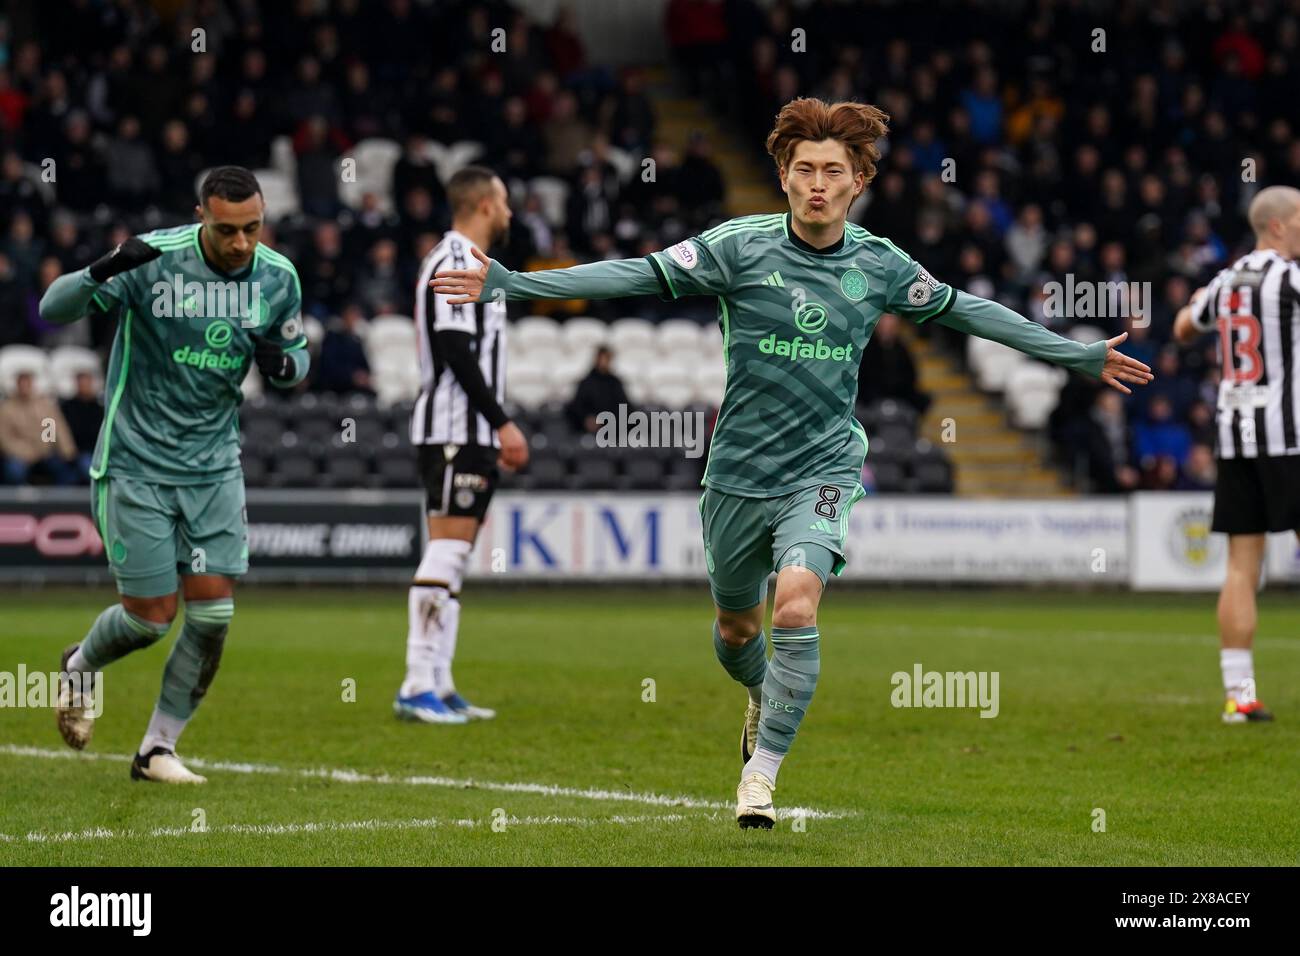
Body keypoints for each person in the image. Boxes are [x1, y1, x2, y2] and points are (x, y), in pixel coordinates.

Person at [433, 98, 1152, 828]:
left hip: (824, 466)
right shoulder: (737, 247)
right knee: (737, 631)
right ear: (782, 176)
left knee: (797, 606)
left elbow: (970, 309)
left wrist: (1075, 353)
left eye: (833, 172)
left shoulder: (879, 264)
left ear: (858, 181)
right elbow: (633, 275)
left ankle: (761, 776)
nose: (817, 184)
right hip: (738, 474)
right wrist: (518, 284)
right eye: (804, 169)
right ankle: (759, 695)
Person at [37, 166, 310, 782]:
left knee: (212, 616)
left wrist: (284, 365)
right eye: (227, 230)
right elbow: (52, 309)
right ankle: (80, 666)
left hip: (214, 466)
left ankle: (157, 749)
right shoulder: (153, 260)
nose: (242, 242)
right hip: (136, 462)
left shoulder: (278, 276)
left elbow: (296, 362)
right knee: (149, 619)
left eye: (252, 228)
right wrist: (105, 266)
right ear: (199, 217)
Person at [396, 165, 528, 725]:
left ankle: (439, 681)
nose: (510, 212)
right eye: (504, 201)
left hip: (467, 431)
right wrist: (502, 423)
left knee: (455, 559)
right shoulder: (456, 259)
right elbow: (454, 349)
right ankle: (415, 683)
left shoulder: (472, 262)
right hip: (455, 428)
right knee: (447, 552)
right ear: (483, 205)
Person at [1173, 184, 1300, 723]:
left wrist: (1199, 308)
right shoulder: (1290, 279)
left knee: (1241, 569)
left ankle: (1239, 695)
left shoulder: (1225, 282)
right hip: (1288, 439)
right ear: (1278, 225)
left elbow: (1183, 327)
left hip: (1234, 439)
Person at [0, 370, 78, 485]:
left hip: (44, 454)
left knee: (65, 470)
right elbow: (5, 439)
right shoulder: (7, 408)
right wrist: (26, 452)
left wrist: (68, 451)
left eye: (27, 382)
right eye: (22, 382)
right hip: (18, 456)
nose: (24, 386)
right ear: (17, 384)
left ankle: (61, 496)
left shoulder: (45, 405)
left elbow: (57, 429)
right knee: (14, 471)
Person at [565, 346, 630, 432]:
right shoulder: (586, 383)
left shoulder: (615, 383)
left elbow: (624, 407)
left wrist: (605, 421)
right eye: (601, 358)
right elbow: (577, 406)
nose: (603, 362)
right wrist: (587, 418)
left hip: (611, 430)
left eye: (606, 359)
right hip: (587, 431)